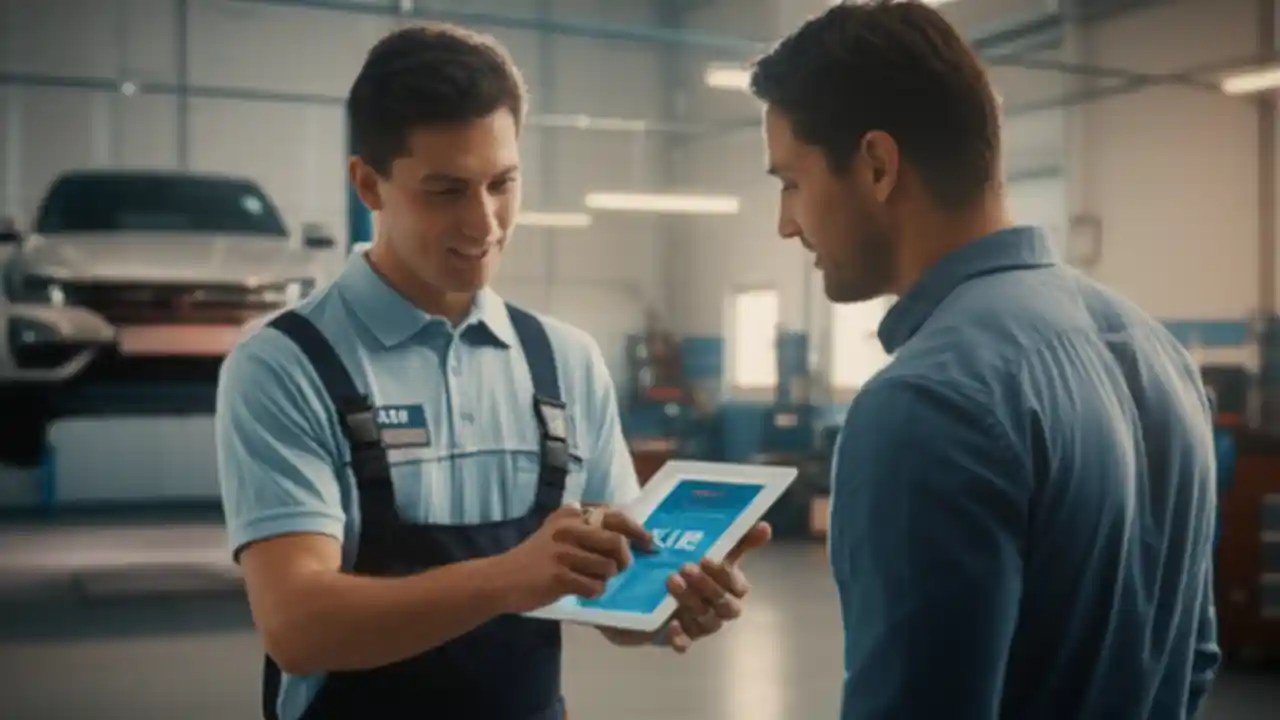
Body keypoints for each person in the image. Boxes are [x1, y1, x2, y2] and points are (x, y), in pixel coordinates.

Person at [216, 23, 769, 720]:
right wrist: (508, 579)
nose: (484, 223)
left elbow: (616, 606)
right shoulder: (285, 365)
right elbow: (298, 626)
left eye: (502, 184)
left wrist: (670, 605)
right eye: (445, 191)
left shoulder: (565, 363)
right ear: (368, 184)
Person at [750, 2, 1220, 718]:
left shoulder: (927, 402)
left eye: (790, 181)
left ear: (877, 164)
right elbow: (1192, 658)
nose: (786, 223)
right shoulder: (1162, 356)